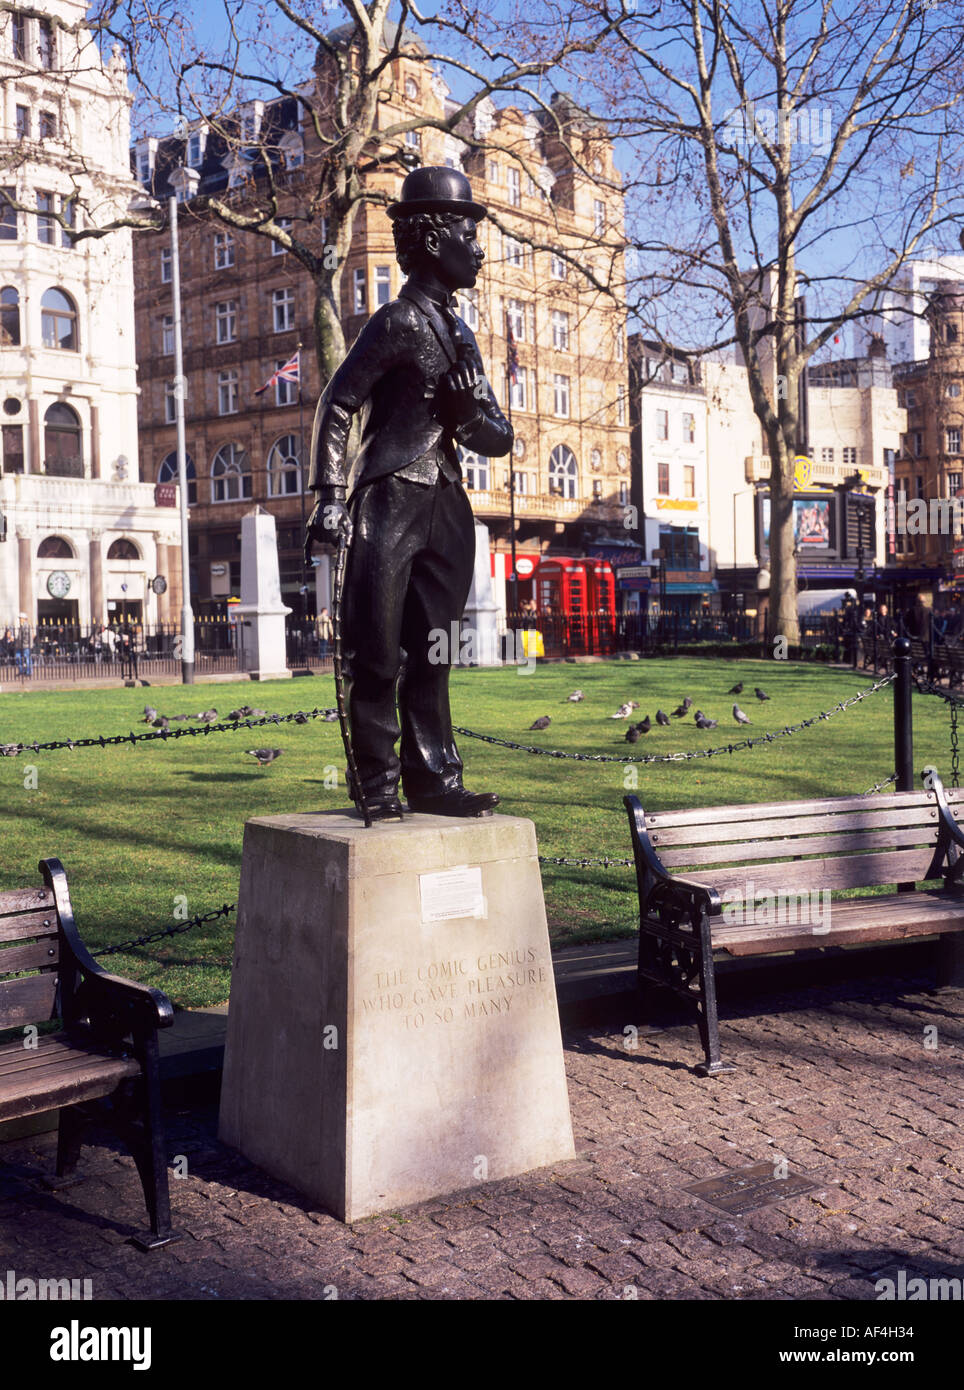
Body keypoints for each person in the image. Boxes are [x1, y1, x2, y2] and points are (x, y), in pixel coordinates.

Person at [305, 166, 513, 821]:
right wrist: (330, 496)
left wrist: (467, 415)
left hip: (446, 503)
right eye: (467, 233)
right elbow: (338, 404)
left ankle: (434, 779)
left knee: (436, 650)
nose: (478, 249)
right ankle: (377, 785)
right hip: (390, 497)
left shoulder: (464, 337)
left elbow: (499, 435)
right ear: (430, 241)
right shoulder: (396, 322)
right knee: (377, 650)